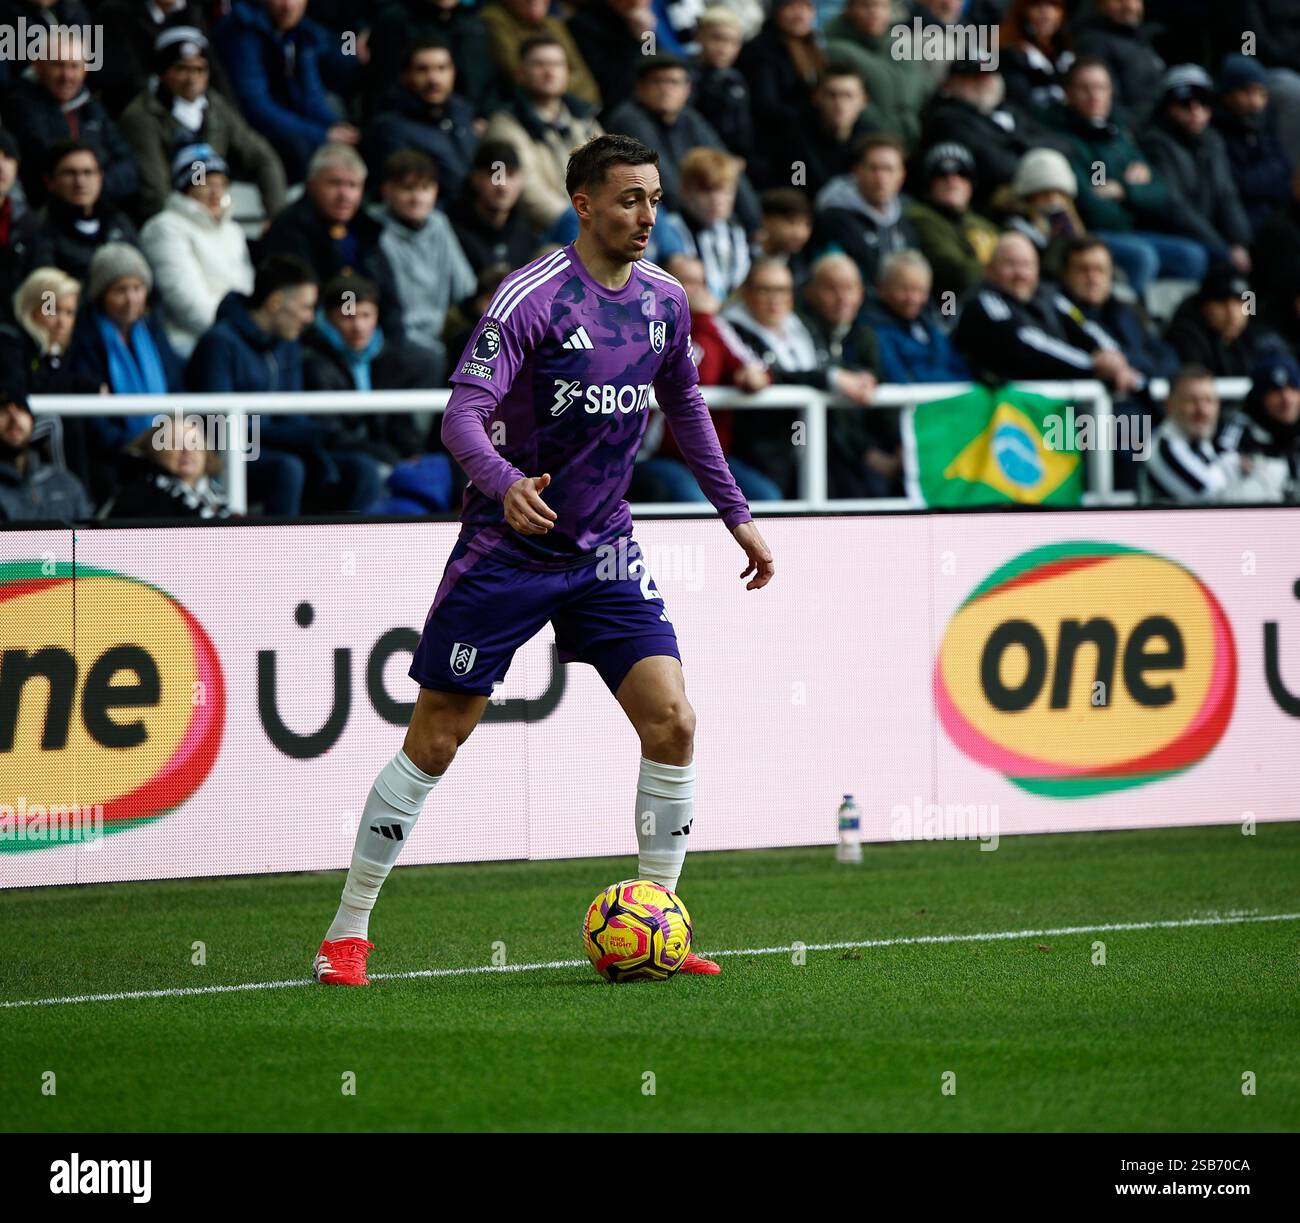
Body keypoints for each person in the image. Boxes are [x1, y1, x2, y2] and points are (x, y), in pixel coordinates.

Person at [312, 132, 774, 987]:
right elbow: (462, 413)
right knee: (438, 740)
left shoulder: (666, 301)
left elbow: (687, 404)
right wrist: (505, 481)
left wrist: (735, 515)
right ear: (585, 203)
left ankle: (659, 920)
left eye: (656, 198)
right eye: (629, 199)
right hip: (507, 549)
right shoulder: (530, 296)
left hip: (604, 546)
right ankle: (346, 931)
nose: (646, 216)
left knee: (672, 719)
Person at [632, 251, 778, 503]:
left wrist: (752, 376)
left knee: (767, 497)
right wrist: (700, 319)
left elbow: (758, 369)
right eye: (685, 281)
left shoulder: (713, 327)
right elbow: (685, 372)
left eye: (700, 283)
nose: (694, 291)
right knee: (697, 503)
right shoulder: (646, 326)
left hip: (708, 456)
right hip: (656, 455)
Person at [117, 26, 287, 222]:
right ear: (163, 72)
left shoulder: (216, 106)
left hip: (214, 214)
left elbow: (263, 158)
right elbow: (155, 190)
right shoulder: (141, 117)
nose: (192, 79)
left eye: (199, 69)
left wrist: (277, 219)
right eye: (182, 69)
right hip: (171, 222)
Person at [952, 230, 1141, 390]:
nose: (1020, 274)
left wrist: (1113, 357)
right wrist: (1092, 365)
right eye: (1010, 265)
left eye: (1027, 265)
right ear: (989, 270)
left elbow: (1083, 326)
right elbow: (1028, 342)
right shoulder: (984, 302)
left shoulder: (1049, 296)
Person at [262, 143, 406, 337]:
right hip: (317, 343)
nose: (344, 195)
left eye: (353, 186)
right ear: (312, 185)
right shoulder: (290, 229)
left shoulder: (366, 228)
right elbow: (297, 306)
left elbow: (390, 299)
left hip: (372, 338)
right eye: (335, 184)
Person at [213, 0, 359, 182]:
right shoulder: (241, 30)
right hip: (245, 126)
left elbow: (311, 96)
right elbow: (255, 107)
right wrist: (321, 135)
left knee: (350, 137)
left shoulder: (302, 31)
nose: (289, 5)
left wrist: (335, 127)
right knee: (298, 148)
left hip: (285, 118)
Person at [139, 144, 256, 358]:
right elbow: (187, 302)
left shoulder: (233, 231)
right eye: (205, 184)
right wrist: (243, 333)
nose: (215, 193)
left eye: (221, 184)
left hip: (239, 341)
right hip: (191, 346)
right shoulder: (164, 228)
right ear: (185, 187)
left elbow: (246, 289)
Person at [482, 34, 604, 233]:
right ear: (520, 73)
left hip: (593, 220)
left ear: (567, 72)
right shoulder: (504, 125)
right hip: (545, 234)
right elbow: (528, 193)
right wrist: (584, 220)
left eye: (556, 65)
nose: (549, 72)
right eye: (539, 64)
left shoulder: (585, 119)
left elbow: (614, 171)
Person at [1141, 65, 1253, 275]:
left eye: (1202, 103)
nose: (1195, 111)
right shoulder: (1155, 142)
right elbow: (1173, 206)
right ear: (1168, 107)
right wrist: (1221, 247)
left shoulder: (1213, 140)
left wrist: (1240, 242)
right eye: (1185, 104)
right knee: (1198, 257)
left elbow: (1227, 195)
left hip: (1209, 236)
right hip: (1174, 235)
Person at [373, 149, 476, 370]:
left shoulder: (439, 224)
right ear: (387, 191)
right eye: (407, 189)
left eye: (424, 188)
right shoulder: (372, 229)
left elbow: (465, 288)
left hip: (439, 337)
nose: (416, 198)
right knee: (428, 360)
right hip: (391, 340)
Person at [1142, 364, 1288, 503]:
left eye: (1209, 400)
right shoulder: (1164, 450)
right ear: (1169, 405)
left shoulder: (1200, 441)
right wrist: (1265, 477)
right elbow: (1217, 502)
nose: (1202, 411)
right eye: (1192, 401)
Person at [362, 37, 479, 205]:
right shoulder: (391, 129)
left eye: (442, 68)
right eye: (422, 70)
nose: (434, 79)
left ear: (453, 72)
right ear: (405, 75)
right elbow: (404, 195)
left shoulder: (463, 113)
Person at [21, 143, 142, 288]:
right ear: (49, 181)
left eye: (88, 172)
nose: (80, 182)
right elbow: (46, 296)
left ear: (100, 177)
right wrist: (54, 310)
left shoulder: (119, 223)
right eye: (69, 173)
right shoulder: (39, 229)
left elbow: (145, 281)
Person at [812, 132, 916, 290]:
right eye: (873, 168)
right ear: (856, 171)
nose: (881, 178)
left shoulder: (905, 222)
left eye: (888, 169)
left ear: (901, 176)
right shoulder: (831, 221)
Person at [823, 0, 932, 150]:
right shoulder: (834, 49)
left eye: (882, 6)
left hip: (911, 136)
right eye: (866, 5)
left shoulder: (900, 45)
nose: (875, 13)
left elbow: (923, 90)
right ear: (850, 8)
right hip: (860, 141)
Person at [653, 147, 752, 304]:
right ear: (685, 190)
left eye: (725, 191)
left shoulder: (735, 233)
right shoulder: (669, 229)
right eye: (707, 190)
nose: (717, 200)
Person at [904, 142, 999, 302]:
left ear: (971, 183)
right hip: (947, 300)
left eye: (961, 174)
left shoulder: (983, 224)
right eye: (942, 174)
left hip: (993, 299)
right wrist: (1001, 271)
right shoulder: (920, 217)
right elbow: (956, 273)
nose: (952, 181)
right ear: (929, 183)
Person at [861, 249, 970, 384]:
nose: (913, 298)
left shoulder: (931, 326)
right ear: (882, 289)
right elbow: (898, 378)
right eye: (904, 289)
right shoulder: (872, 330)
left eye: (920, 290)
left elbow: (962, 371)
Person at [101, 413, 233, 519]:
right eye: (175, 443)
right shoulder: (138, 499)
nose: (187, 450)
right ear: (153, 452)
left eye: (194, 442)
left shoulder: (217, 497)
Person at [0, 382, 95, 521]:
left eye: (21, 409)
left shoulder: (64, 482)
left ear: (33, 422)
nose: (14, 418)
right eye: (3, 410)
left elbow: (88, 538)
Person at [446, 140, 539, 274]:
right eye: (494, 175)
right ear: (475, 178)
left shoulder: (525, 232)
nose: (503, 186)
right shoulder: (452, 232)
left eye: (510, 175)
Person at [1217, 352, 1300, 495]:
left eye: (1293, 389)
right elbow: (1222, 461)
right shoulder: (1240, 429)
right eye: (1276, 391)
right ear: (1259, 397)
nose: (1287, 399)